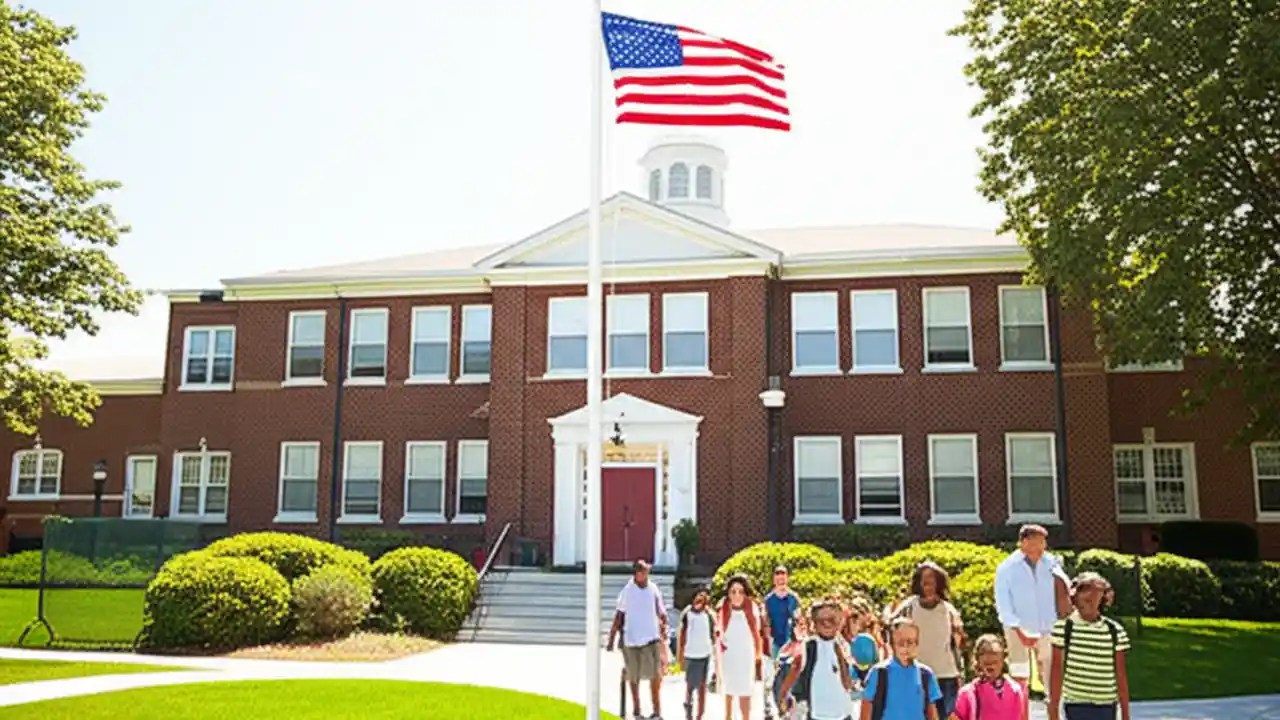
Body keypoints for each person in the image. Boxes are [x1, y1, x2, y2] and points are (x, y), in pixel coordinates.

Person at [994, 525, 1070, 707]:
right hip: (1017, 629)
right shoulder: (1007, 568)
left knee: (1052, 675)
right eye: (1038, 541)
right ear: (1024, 542)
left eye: (1043, 542)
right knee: (1019, 676)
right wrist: (1019, 629)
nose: (1042, 546)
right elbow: (1003, 603)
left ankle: (1054, 713)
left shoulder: (1052, 563)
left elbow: (1065, 588)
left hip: (1048, 628)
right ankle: (1020, 713)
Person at [1048, 573, 1131, 720]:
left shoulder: (1115, 631)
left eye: (1095, 597)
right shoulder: (1064, 628)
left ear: (1103, 599)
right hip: (1076, 703)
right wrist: (1053, 708)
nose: (1089, 601)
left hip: (1106, 705)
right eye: (1085, 595)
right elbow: (1056, 671)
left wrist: (1125, 714)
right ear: (1075, 597)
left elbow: (1121, 676)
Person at [891, 562, 966, 717]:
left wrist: (960, 674)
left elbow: (957, 644)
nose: (929, 585)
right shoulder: (907, 608)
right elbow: (891, 630)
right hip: (916, 674)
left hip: (946, 676)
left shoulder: (948, 610)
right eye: (924, 581)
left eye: (932, 580)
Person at [607, 559, 669, 720]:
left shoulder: (653, 589)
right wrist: (612, 638)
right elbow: (619, 615)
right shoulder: (628, 591)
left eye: (646, 571)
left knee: (655, 675)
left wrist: (663, 625)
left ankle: (657, 711)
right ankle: (636, 710)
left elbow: (661, 611)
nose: (644, 575)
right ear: (635, 574)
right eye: (641, 572)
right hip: (632, 639)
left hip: (651, 638)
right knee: (633, 677)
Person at [778, 600, 855, 720]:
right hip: (817, 710)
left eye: (832, 620)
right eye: (821, 621)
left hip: (842, 710)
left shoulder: (842, 644)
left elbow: (847, 682)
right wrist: (783, 693)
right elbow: (796, 667)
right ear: (814, 623)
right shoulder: (810, 645)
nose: (827, 624)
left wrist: (840, 655)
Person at [860, 617, 943, 720]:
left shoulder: (925, 674)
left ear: (917, 644)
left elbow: (932, 712)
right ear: (892, 644)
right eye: (900, 642)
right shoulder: (879, 672)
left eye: (910, 642)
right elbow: (866, 710)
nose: (905, 647)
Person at [718, 573, 764, 720]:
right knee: (728, 690)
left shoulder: (752, 608)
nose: (737, 595)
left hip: (746, 655)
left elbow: (756, 631)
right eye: (733, 591)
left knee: (745, 691)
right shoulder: (724, 608)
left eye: (740, 591)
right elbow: (719, 632)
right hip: (728, 656)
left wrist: (758, 653)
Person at [950, 634, 1027, 720]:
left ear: (1003, 660)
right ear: (978, 661)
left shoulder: (1015, 690)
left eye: (995, 662)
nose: (991, 666)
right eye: (986, 663)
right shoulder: (968, 693)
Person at [765, 565, 802, 715]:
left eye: (783, 576)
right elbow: (766, 622)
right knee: (776, 677)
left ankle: (789, 707)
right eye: (777, 576)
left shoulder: (793, 598)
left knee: (791, 676)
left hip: (791, 643)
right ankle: (777, 706)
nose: (781, 579)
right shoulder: (769, 600)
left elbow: (799, 619)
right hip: (776, 642)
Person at [677, 586, 718, 720]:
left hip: (705, 654)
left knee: (702, 686)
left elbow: (714, 633)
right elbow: (682, 635)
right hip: (691, 654)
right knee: (690, 684)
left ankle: (700, 714)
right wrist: (680, 655)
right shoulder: (687, 614)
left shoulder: (709, 614)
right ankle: (688, 705)